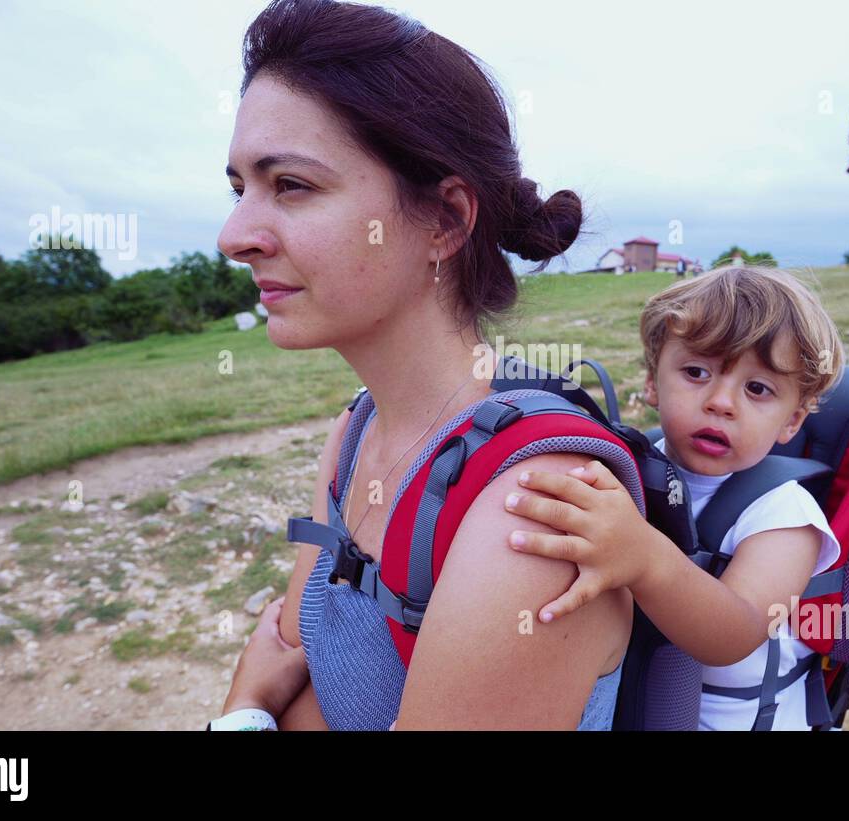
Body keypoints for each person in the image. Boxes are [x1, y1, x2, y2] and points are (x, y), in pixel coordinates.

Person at [213, 0, 635, 730]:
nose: (235, 234)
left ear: (444, 221)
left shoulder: (529, 519)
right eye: (239, 188)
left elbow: (277, 682)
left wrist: (246, 711)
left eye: (291, 185)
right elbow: (296, 653)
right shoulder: (357, 429)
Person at [501, 265, 847, 730]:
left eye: (757, 388)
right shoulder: (630, 467)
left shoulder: (785, 515)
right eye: (696, 371)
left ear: (792, 422)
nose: (721, 401)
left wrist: (644, 558)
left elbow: (735, 634)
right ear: (652, 383)